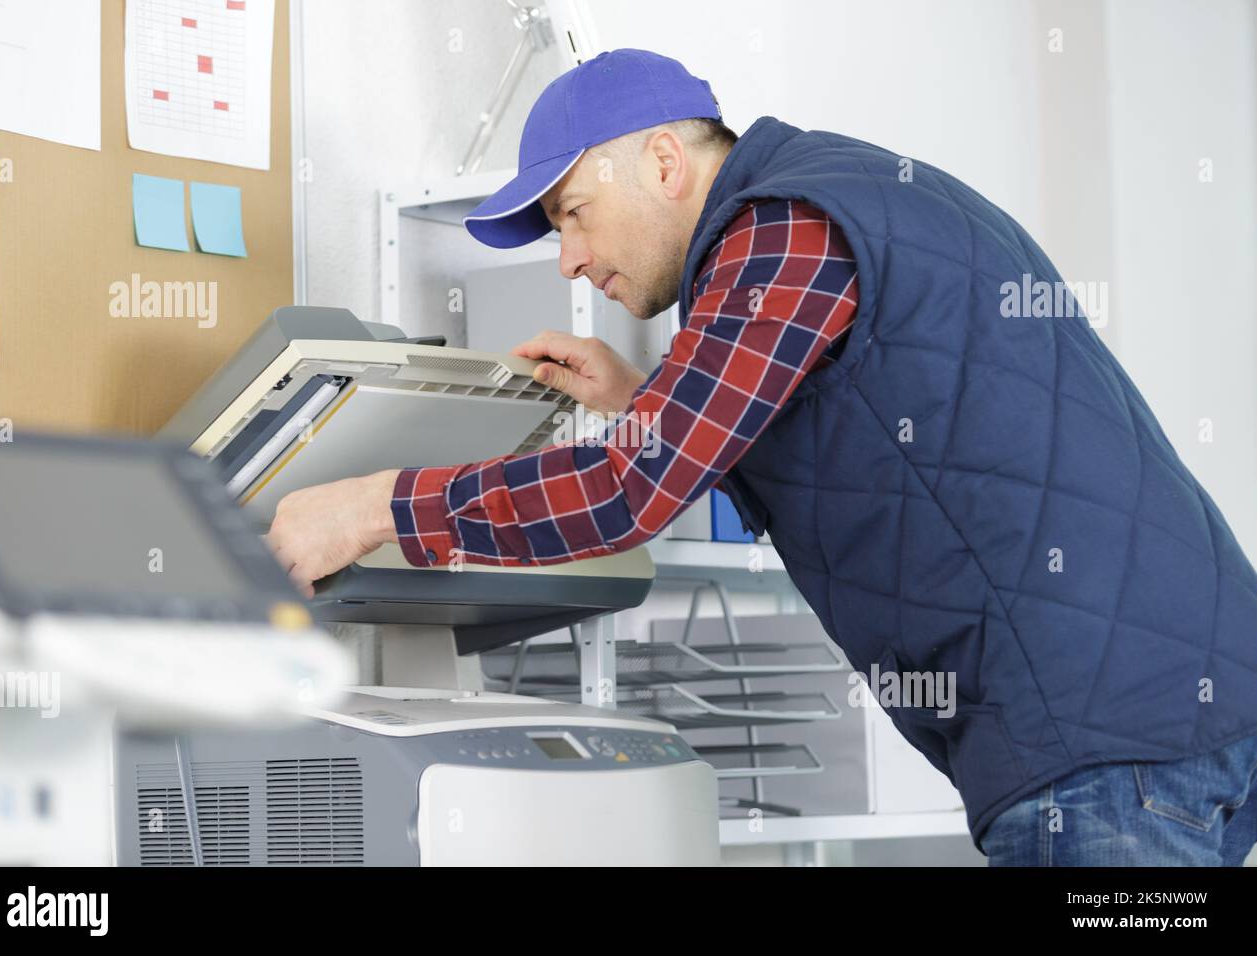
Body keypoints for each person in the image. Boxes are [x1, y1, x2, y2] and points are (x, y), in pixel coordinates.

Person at [265, 49, 1257, 865]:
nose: (565, 257)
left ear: (661, 162)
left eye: (569, 212)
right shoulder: (839, 197)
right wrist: (638, 396)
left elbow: (625, 491)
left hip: (1101, 744)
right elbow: (861, 415)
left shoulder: (781, 228)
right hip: (1188, 704)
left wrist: (370, 508)